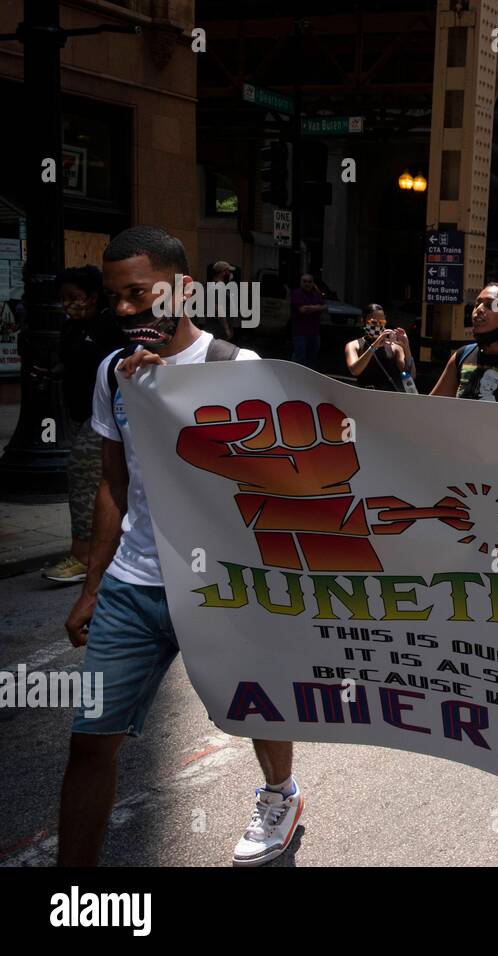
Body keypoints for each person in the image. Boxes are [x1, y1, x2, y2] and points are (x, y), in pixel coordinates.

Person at [58, 226, 303, 868]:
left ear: (183, 289)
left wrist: (172, 401)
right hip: (133, 587)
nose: (124, 311)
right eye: (115, 298)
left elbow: (269, 482)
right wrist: (93, 585)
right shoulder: (115, 372)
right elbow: (116, 482)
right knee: (91, 741)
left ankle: (280, 792)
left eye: (138, 294)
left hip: (219, 586)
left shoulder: (235, 370)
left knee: (256, 709)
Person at [41, 266, 125, 584]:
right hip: (78, 414)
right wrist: (51, 371)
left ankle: (82, 557)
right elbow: (69, 363)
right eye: (63, 299)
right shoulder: (70, 329)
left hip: (103, 416)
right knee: (103, 482)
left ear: (93, 297)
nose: (68, 304)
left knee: (81, 476)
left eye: (74, 297)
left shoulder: (110, 325)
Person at [345, 304, 416, 391]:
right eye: (374, 322)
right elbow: (355, 371)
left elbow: (411, 376)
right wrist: (374, 346)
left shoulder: (394, 347)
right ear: (363, 320)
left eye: (381, 322)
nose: (378, 326)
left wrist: (406, 346)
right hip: (364, 395)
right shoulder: (354, 345)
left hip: (388, 396)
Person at [290, 273, 328, 368]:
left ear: (313, 283)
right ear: (300, 282)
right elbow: (302, 310)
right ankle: (294, 377)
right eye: (304, 281)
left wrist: (310, 307)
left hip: (314, 333)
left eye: (309, 282)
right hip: (300, 333)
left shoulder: (316, 295)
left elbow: (325, 307)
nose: (307, 284)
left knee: (312, 359)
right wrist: (317, 307)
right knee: (300, 359)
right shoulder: (297, 293)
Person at [203, 260, 236, 340]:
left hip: (215, 327)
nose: (230, 274)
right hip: (218, 329)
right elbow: (218, 308)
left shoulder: (215, 285)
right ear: (223, 272)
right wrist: (227, 329)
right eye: (228, 271)